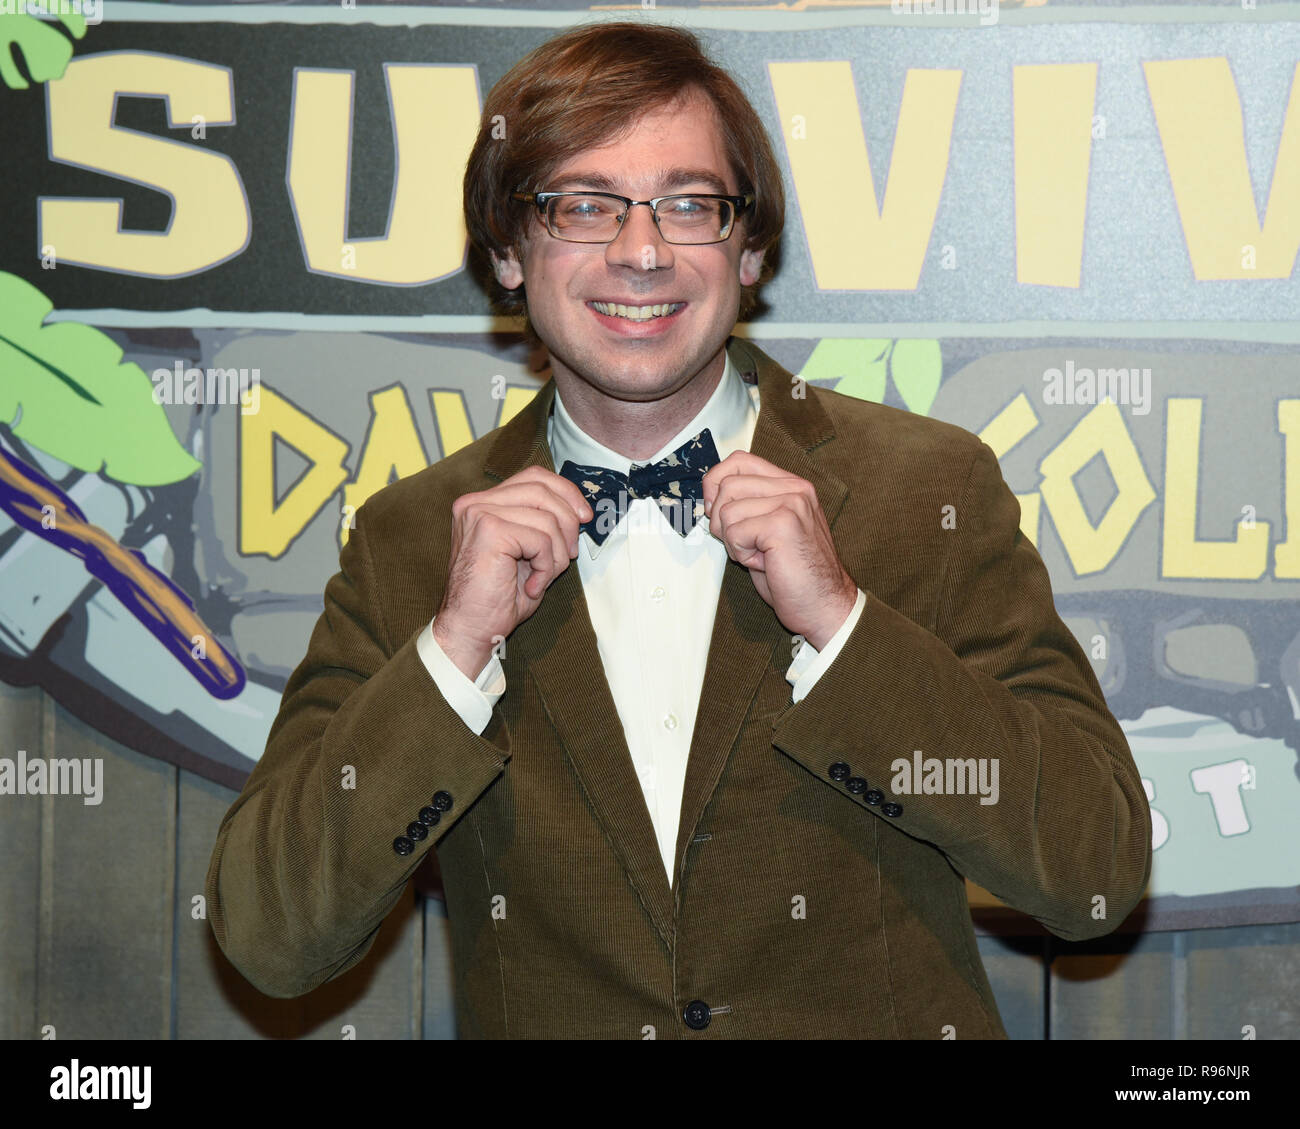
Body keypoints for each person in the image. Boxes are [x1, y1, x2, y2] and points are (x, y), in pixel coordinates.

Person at [205, 19, 1152, 1039]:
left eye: (688, 205)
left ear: (747, 251)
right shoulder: (408, 542)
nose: (642, 250)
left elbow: (1092, 875)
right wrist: (451, 653)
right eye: (583, 206)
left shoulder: (928, 491)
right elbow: (271, 935)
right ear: (508, 253)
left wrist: (843, 626)